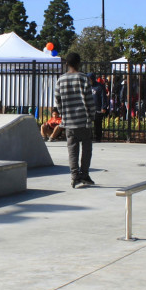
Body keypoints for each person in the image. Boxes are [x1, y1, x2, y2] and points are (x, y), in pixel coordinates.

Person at [55, 52, 96, 188]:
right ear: (79, 63)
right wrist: (91, 116)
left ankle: (74, 176)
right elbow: (89, 100)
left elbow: (58, 101)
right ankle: (84, 174)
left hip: (69, 122)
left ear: (66, 63)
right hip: (83, 120)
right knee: (86, 148)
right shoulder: (83, 78)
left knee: (72, 149)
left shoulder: (60, 80)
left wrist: (64, 114)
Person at [89, 73, 107, 142]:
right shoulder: (87, 86)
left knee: (97, 123)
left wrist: (104, 107)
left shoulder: (99, 86)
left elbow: (103, 97)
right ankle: (89, 137)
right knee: (88, 123)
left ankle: (98, 137)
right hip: (89, 108)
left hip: (98, 108)